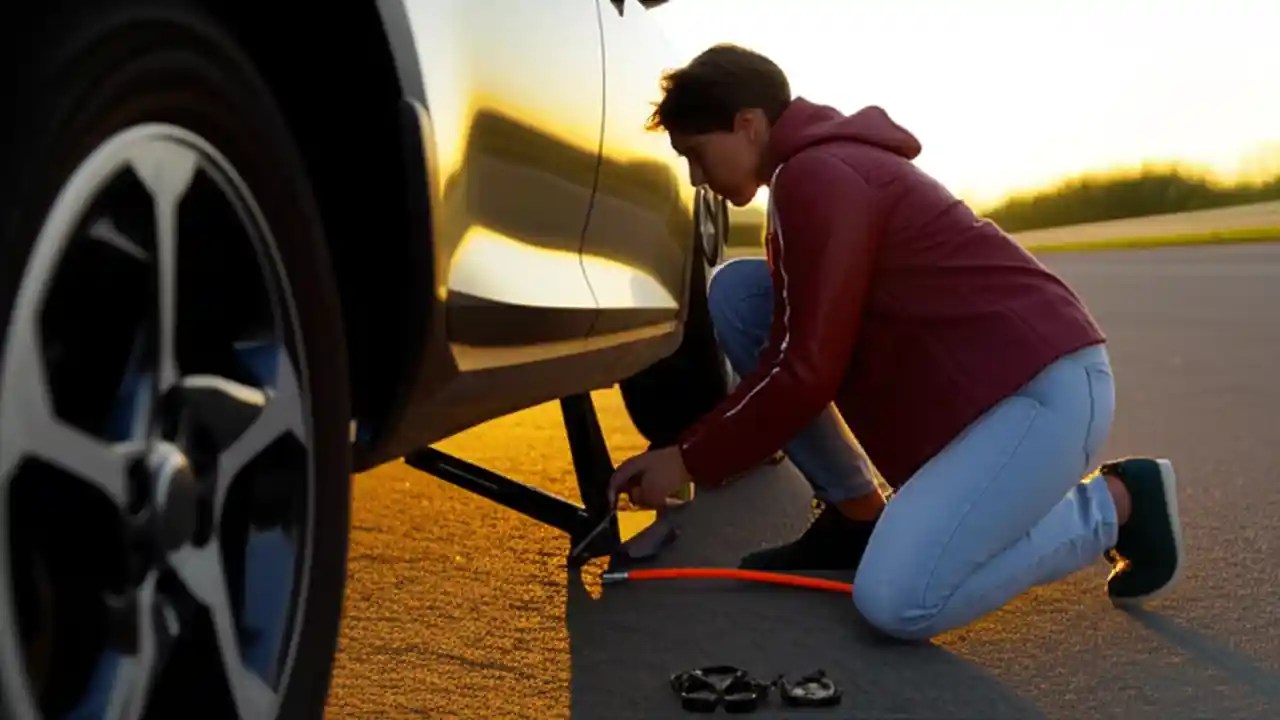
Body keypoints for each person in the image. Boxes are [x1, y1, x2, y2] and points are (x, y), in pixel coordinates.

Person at [607, 44, 1183, 641]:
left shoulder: (818, 176)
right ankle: (857, 516)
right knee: (740, 291)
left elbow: (805, 372)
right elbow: (791, 350)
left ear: (747, 125)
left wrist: (688, 457)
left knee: (897, 601)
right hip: (994, 396)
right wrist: (696, 451)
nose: (696, 177)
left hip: (1043, 393)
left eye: (696, 154)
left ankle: (1115, 505)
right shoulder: (807, 174)